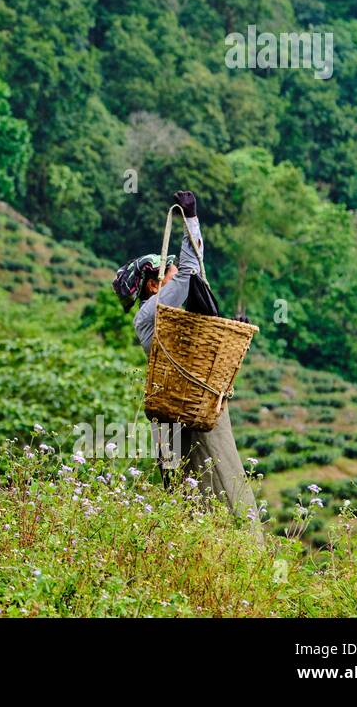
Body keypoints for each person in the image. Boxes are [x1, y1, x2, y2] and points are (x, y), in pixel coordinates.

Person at [115, 190, 260, 528]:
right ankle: (240, 562)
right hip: (192, 422)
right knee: (222, 490)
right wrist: (190, 219)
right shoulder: (152, 314)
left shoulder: (166, 321)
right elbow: (190, 273)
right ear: (153, 285)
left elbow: (191, 280)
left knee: (189, 497)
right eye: (167, 273)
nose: (173, 274)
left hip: (174, 423)